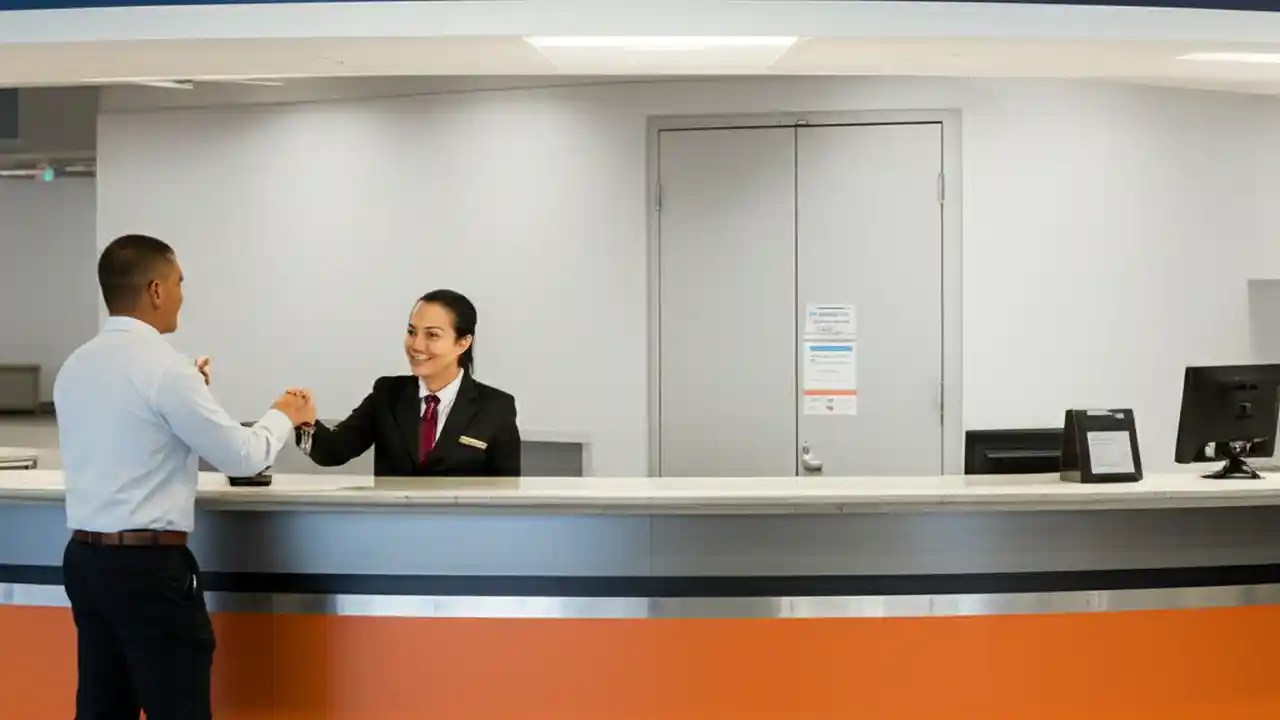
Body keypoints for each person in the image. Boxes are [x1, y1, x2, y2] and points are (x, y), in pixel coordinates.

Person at [54, 234, 316, 720]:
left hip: (85, 562)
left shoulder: (75, 366)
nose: (181, 293)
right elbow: (243, 456)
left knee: (102, 704)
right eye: (178, 282)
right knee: (179, 707)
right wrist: (283, 413)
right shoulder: (166, 371)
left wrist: (190, 394)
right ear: (155, 290)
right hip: (149, 571)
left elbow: (132, 436)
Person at [298, 289, 521, 476]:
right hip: (392, 526)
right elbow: (332, 452)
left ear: (463, 343)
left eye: (432, 335)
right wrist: (305, 422)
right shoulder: (387, 394)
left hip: (459, 527)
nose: (416, 345)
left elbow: (508, 496)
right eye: (412, 332)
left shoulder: (496, 408)